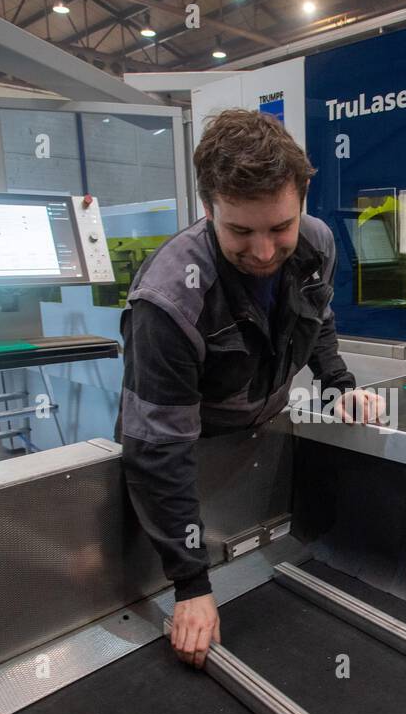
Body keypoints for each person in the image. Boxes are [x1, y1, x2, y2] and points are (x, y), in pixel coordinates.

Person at [115, 108, 384, 669]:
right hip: (184, 461)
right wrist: (190, 584)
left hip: (256, 439)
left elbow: (318, 319)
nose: (263, 252)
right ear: (208, 207)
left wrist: (338, 385)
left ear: (302, 202)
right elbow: (159, 448)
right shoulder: (169, 299)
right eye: (240, 231)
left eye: (280, 227)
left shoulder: (316, 244)